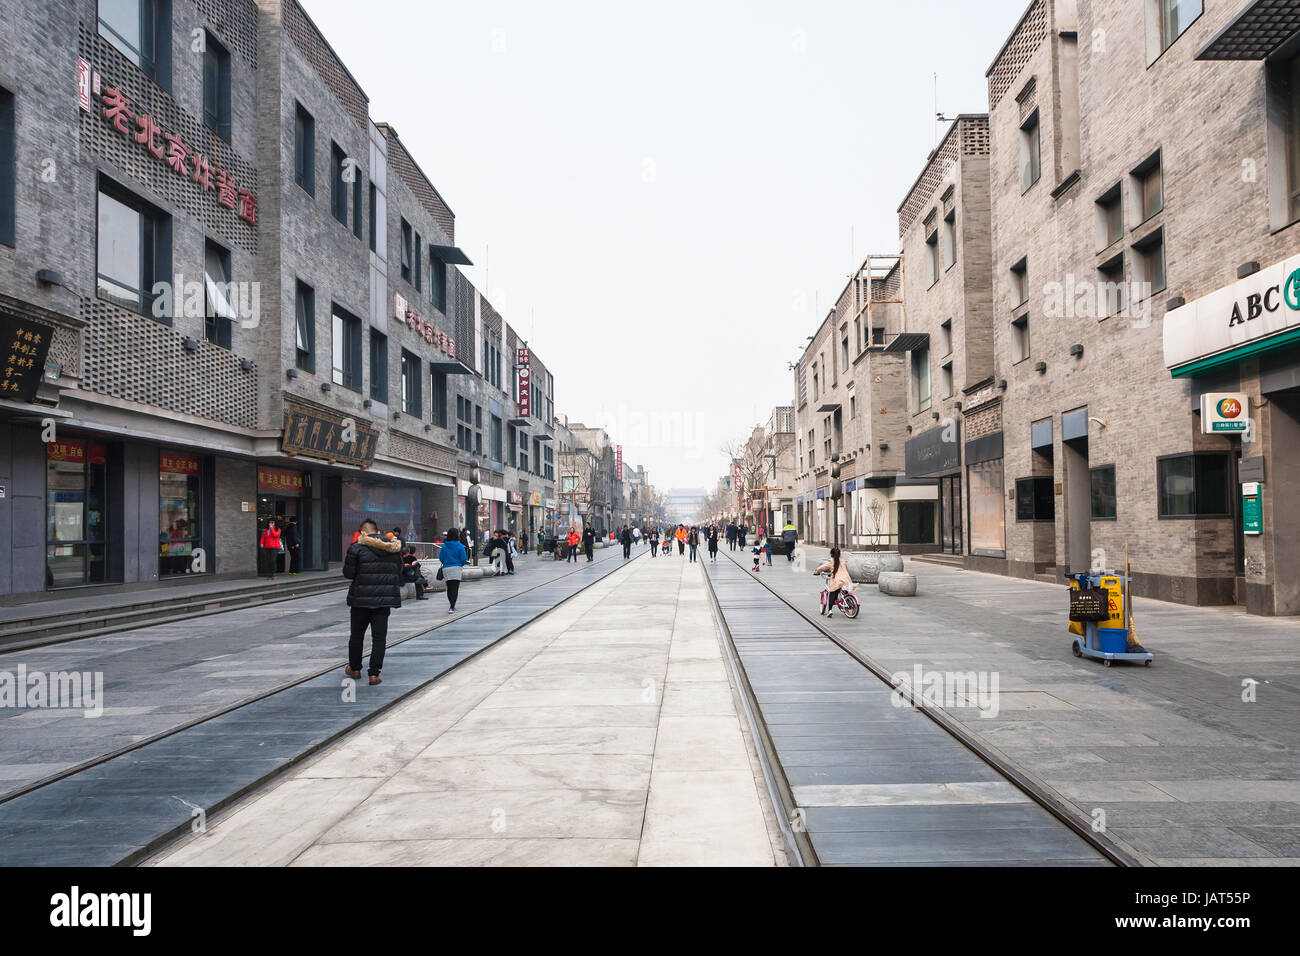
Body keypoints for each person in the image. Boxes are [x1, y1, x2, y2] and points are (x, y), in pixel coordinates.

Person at [342, 519, 403, 685]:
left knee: (356, 636)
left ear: (363, 532)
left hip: (360, 600)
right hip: (383, 601)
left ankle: (354, 669)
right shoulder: (393, 548)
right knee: (379, 638)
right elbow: (398, 570)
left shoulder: (356, 548)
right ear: (378, 532)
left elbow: (348, 573)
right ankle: (374, 674)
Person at [813, 547, 853, 618]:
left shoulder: (831, 561)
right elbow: (846, 569)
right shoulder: (843, 561)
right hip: (846, 579)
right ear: (839, 554)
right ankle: (847, 603)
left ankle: (830, 610)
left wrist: (816, 571)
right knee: (844, 593)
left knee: (832, 594)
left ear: (831, 554)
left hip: (837, 580)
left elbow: (823, 567)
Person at [438, 526, 468, 614]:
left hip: (446, 568)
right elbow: (463, 558)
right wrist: (460, 565)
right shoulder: (460, 546)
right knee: (455, 588)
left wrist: (446, 563)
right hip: (456, 568)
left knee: (449, 588)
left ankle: (451, 605)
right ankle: (452, 606)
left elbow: (441, 557)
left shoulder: (444, 546)